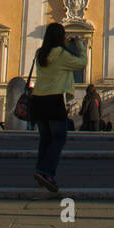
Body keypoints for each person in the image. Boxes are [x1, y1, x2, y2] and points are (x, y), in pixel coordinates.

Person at [30, 22, 88, 193]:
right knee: (59, 138)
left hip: (37, 100)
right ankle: (46, 172)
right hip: (54, 100)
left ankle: (42, 172)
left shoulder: (40, 53)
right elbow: (81, 63)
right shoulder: (61, 54)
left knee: (45, 139)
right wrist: (79, 46)